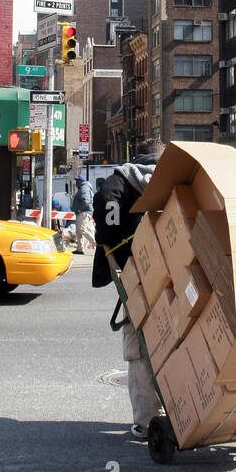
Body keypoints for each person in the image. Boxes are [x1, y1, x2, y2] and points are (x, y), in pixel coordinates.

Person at [92, 140, 165, 441]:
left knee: (138, 345)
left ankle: (148, 421)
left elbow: (106, 212)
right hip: (175, 272)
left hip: (135, 273)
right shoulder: (172, 177)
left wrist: (112, 241)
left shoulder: (120, 180)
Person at [70, 179, 96, 255]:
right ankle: (80, 249)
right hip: (82, 212)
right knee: (78, 231)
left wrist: (79, 209)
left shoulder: (84, 188)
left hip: (83, 212)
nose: (76, 182)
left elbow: (86, 201)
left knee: (82, 229)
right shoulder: (83, 188)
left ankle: (96, 244)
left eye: (77, 181)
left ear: (80, 181)